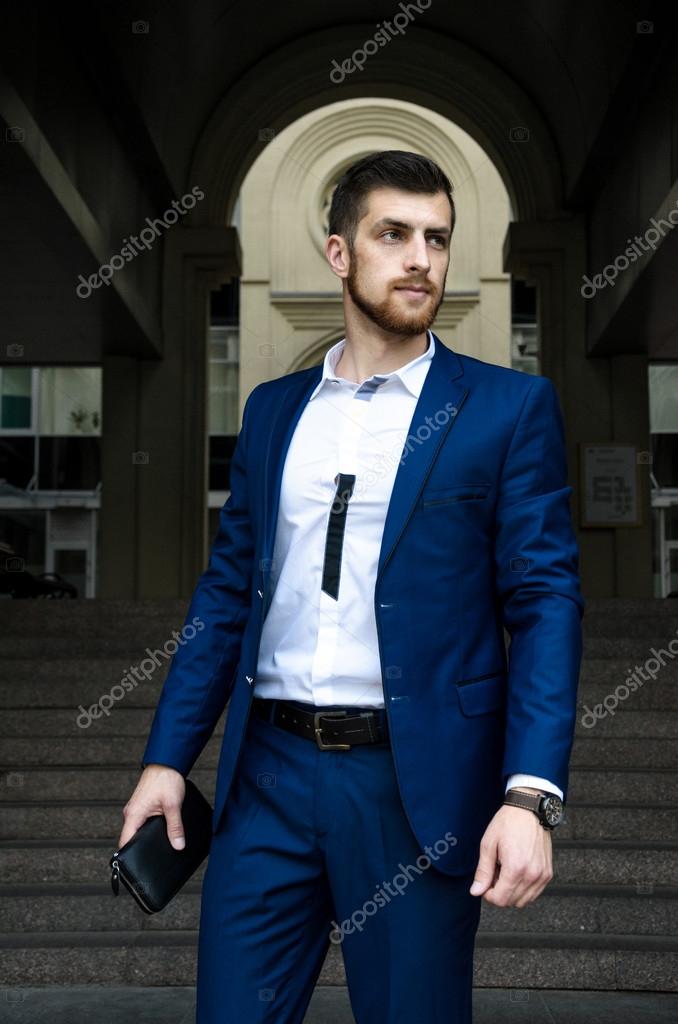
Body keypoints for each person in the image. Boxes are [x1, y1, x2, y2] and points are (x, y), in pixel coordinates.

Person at [118, 150, 584, 1023]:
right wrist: (166, 757)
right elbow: (225, 598)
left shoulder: (505, 410)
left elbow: (546, 602)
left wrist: (529, 793)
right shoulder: (271, 410)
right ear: (339, 253)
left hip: (415, 790)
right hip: (269, 780)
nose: (421, 258)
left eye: (437, 239)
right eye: (394, 234)